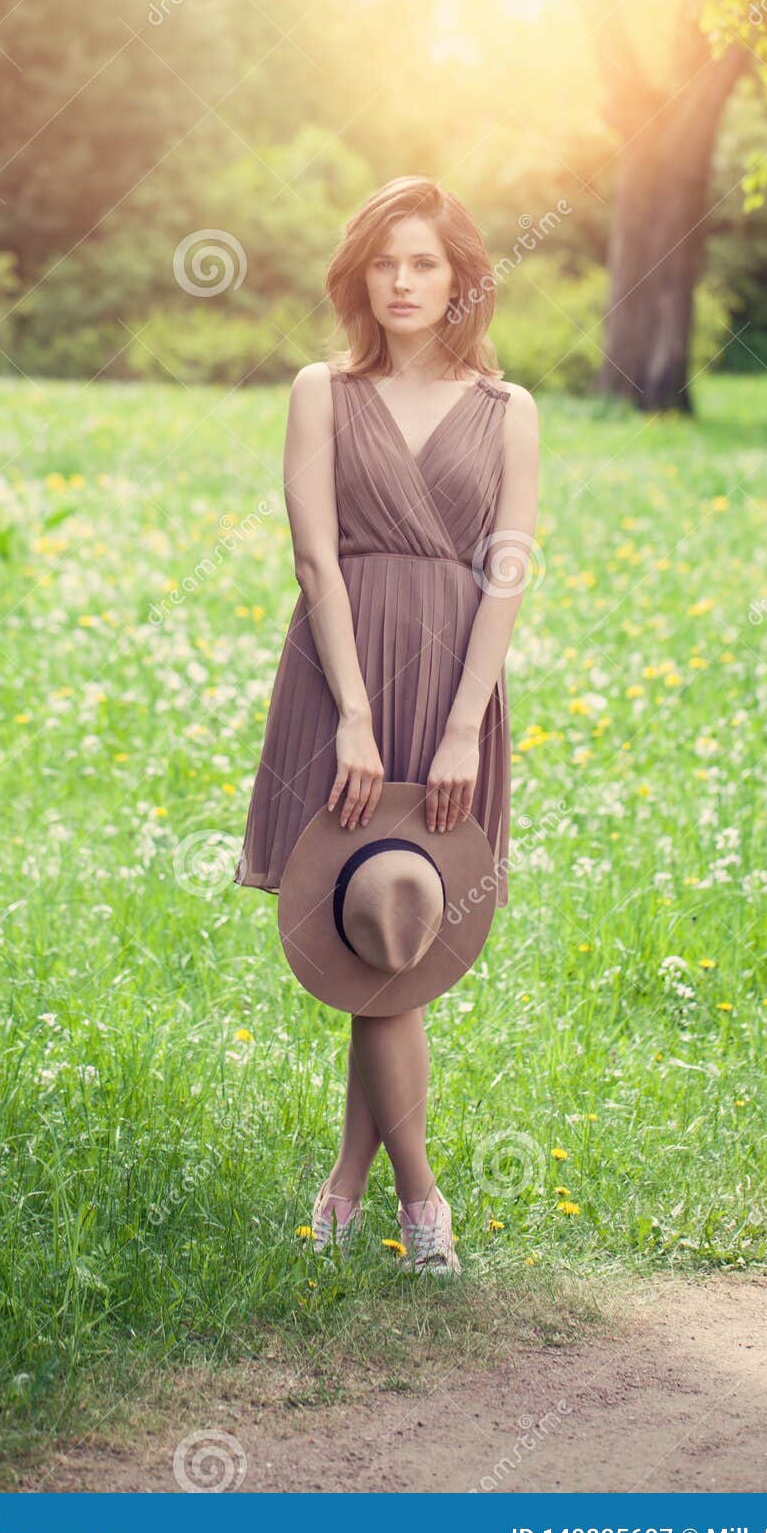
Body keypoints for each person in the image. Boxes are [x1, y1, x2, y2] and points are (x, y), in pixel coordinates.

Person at [233, 175, 540, 1272]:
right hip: (340, 677)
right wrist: (353, 714)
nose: (402, 282)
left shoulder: (509, 410)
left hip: (456, 682)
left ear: (460, 280)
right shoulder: (321, 390)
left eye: (424, 263)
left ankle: (347, 1189)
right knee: (374, 916)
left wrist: (463, 726)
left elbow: (507, 571)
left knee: (398, 927)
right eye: (383, 262)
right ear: (358, 278)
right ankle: (420, 1203)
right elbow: (314, 559)